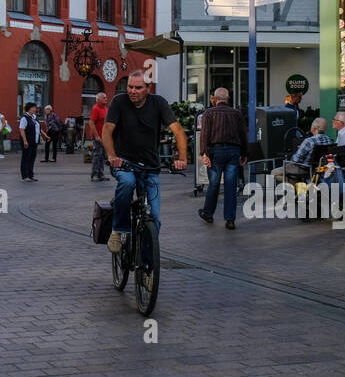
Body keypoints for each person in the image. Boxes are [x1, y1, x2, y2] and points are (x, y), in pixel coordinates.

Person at [102, 71, 188, 262]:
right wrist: (112, 156)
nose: (133, 91)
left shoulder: (159, 103)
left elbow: (178, 131)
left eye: (138, 87)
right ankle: (119, 229)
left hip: (150, 167)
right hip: (124, 163)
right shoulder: (119, 102)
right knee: (126, 182)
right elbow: (107, 130)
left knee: (154, 218)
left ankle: (147, 266)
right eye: (130, 87)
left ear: (148, 89)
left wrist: (182, 158)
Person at [196, 87, 248, 229]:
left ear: (215, 99)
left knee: (214, 183)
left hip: (215, 151)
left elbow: (204, 135)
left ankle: (208, 213)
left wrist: (204, 153)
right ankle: (230, 219)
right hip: (233, 151)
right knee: (231, 185)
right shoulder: (236, 114)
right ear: (228, 99)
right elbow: (243, 135)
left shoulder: (209, 113)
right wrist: (244, 154)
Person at [272, 117, 332, 184]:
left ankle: (297, 184)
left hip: (304, 168)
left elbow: (296, 159)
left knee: (274, 173)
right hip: (319, 169)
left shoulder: (309, 141)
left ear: (314, 128)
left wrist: (293, 156)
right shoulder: (328, 140)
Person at [88, 92, 109, 182]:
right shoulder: (96, 108)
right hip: (98, 137)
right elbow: (91, 123)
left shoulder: (105, 108)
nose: (106, 99)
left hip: (104, 136)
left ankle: (101, 174)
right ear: (98, 99)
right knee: (97, 155)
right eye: (104, 98)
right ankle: (95, 174)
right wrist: (96, 136)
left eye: (106, 97)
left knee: (102, 155)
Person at [18, 102, 41, 182]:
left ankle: (31, 175)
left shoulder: (34, 117)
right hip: (27, 142)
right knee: (26, 158)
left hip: (34, 141)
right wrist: (25, 141)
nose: (35, 109)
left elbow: (37, 128)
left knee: (32, 158)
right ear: (29, 109)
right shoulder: (24, 118)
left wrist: (44, 136)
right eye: (33, 108)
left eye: (35, 108)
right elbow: (21, 129)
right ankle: (25, 176)